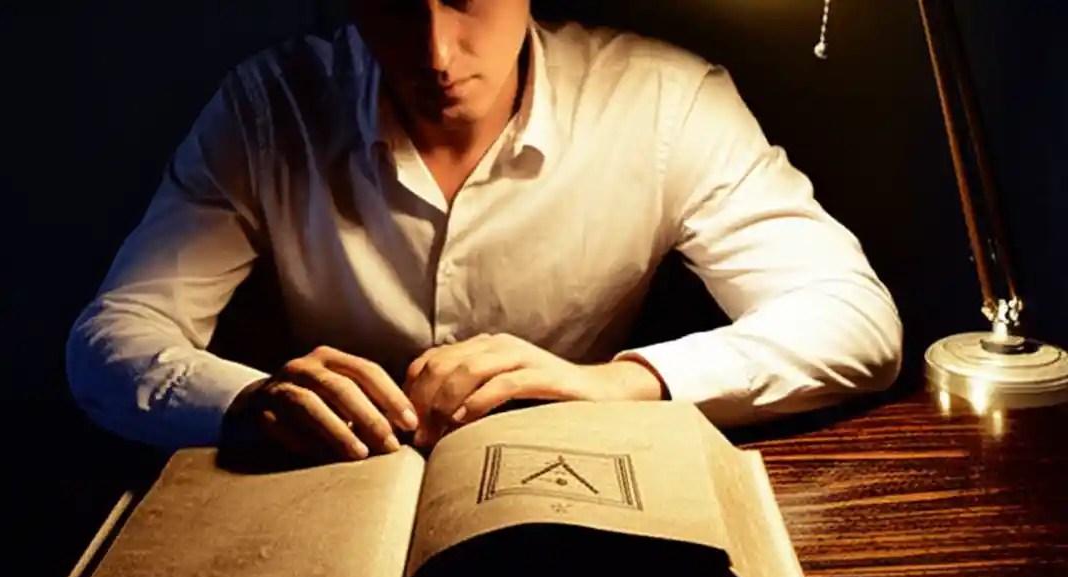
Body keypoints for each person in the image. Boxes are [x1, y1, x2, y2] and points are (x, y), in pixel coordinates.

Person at [65, 0, 902, 464]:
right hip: (328, 503)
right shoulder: (267, 108)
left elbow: (855, 321)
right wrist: (247, 401)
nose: (437, 51)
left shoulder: (663, 102)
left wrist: (622, 384)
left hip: (571, 502)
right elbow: (112, 338)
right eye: (396, 1)